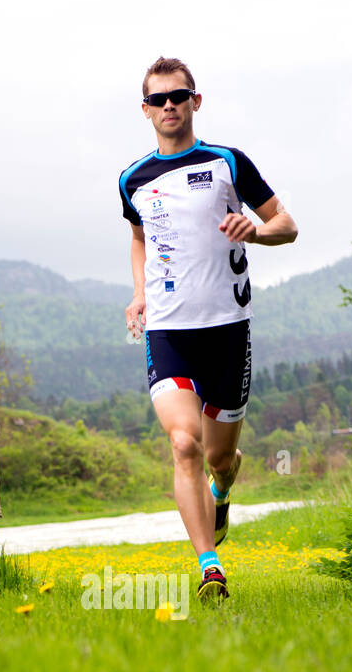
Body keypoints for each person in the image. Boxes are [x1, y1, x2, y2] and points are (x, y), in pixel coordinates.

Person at [119, 56, 298, 600]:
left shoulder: (227, 163)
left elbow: (286, 226)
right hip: (169, 332)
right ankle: (209, 565)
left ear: (196, 101)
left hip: (228, 333)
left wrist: (256, 231)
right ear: (145, 110)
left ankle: (222, 490)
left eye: (179, 96)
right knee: (183, 443)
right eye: (158, 99)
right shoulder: (132, 180)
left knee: (219, 458)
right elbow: (139, 238)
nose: (169, 106)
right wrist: (140, 293)